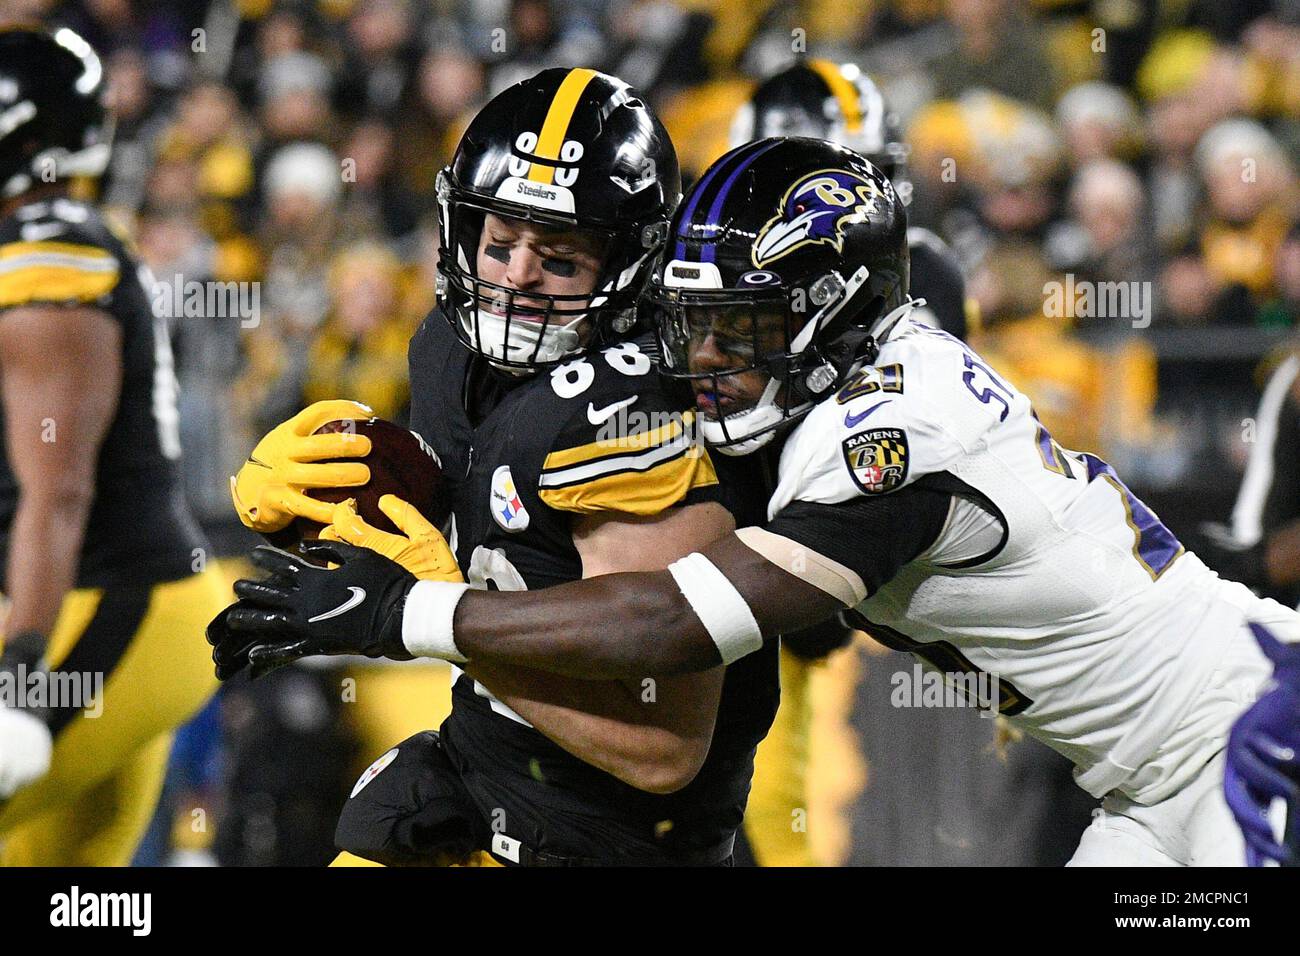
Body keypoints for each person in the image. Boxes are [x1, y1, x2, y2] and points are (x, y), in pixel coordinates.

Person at [216, 136, 1300, 866]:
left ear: (834, 314)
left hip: (1242, 733)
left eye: (745, 328)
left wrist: (407, 613)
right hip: (1151, 769)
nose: (711, 361)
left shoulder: (890, 439)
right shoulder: (846, 373)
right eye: (700, 324)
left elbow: (672, 617)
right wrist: (389, 460)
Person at [219, 68, 778, 866]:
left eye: (558, 259)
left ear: (628, 267)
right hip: (475, 770)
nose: (515, 277)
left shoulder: (639, 409)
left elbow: (660, 746)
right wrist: (326, 499)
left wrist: (428, 617)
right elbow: (482, 537)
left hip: (606, 839)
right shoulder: (447, 349)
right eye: (500, 243)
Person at [0, 27, 229, 865]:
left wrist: (24, 674)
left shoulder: (48, 262)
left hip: (113, 611)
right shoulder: (46, 244)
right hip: (91, 608)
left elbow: (56, 492)